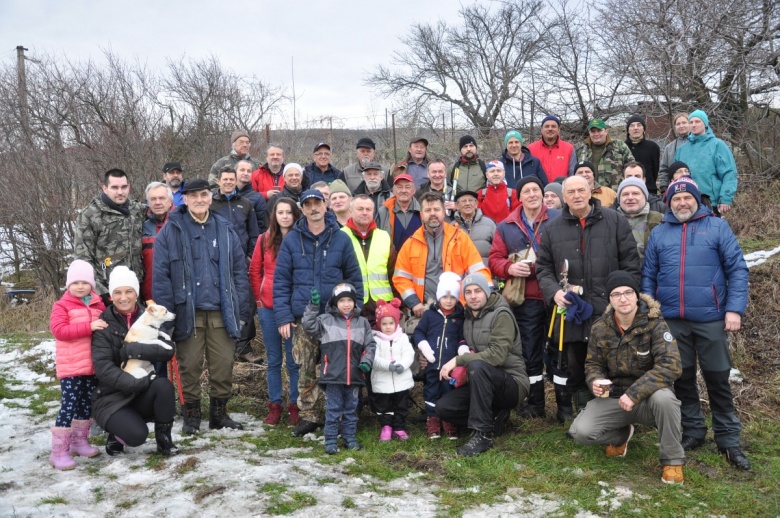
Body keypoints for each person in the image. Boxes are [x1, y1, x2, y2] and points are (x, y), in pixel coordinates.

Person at [642, 176, 750, 470]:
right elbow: (648, 277)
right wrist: (652, 311)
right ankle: (693, 431)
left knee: (717, 379)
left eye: (687, 197)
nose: (682, 203)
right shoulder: (660, 233)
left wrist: (734, 310)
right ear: (669, 204)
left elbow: (737, 270)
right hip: (673, 322)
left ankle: (728, 440)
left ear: (696, 199)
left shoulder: (717, 227)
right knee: (683, 379)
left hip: (712, 318)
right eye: (676, 199)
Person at [152, 179, 252, 435]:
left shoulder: (225, 228)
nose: (199, 199)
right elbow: (161, 277)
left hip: (222, 311)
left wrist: (241, 310)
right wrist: (166, 318)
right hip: (188, 312)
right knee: (190, 366)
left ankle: (219, 415)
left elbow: (240, 272)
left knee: (223, 365)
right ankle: (192, 416)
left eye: (203, 194)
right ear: (184, 199)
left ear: (210, 197)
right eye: (193, 195)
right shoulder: (171, 230)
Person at [536, 175, 640, 418]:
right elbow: (543, 269)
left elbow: (630, 263)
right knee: (575, 363)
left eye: (581, 190)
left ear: (590, 190)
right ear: (564, 197)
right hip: (572, 310)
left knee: (611, 362)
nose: (576, 195)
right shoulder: (552, 228)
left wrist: (624, 297)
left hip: (608, 308)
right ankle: (584, 413)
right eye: (570, 192)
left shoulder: (615, 220)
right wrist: (554, 292)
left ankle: (615, 416)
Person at [568, 271, 685, 485]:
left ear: (637, 296)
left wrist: (634, 393)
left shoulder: (655, 324)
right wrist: (594, 381)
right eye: (616, 294)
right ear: (610, 300)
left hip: (648, 399)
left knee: (666, 400)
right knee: (580, 431)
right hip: (614, 399)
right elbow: (593, 364)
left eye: (628, 292)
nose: (623, 298)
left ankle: (672, 461)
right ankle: (621, 436)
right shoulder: (600, 328)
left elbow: (671, 365)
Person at [273, 189, 363, 437]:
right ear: (301, 209)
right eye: (307, 204)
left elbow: (354, 276)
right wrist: (283, 316)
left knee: (337, 367)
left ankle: (339, 414)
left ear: (326, 206)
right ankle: (309, 415)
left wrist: (356, 310)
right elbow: (281, 281)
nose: (313, 208)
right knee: (305, 367)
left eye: (317, 203)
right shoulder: (292, 240)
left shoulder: (341, 238)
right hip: (304, 318)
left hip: (335, 318)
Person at [489, 176, 560, 420]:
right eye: (526, 191)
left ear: (543, 194)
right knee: (529, 351)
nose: (532, 194)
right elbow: (494, 259)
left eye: (536, 190)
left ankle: (565, 406)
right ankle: (536, 403)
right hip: (526, 297)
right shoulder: (506, 226)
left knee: (561, 350)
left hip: (556, 295)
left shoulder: (558, 219)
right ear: (518, 197)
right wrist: (509, 268)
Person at [436, 273, 529, 456]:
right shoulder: (466, 316)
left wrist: (457, 360)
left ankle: (482, 435)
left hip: (511, 382)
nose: (473, 296)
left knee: (477, 366)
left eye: (478, 291)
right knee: (443, 408)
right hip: (480, 383)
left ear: (486, 292)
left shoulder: (501, 314)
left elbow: (497, 356)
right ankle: (495, 418)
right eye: (468, 292)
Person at [91, 266, 178, 457]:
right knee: (137, 436)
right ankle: (116, 432)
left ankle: (164, 440)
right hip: (112, 397)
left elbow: (168, 350)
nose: (124, 297)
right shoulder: (103, 324)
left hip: (141, 391)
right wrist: (137, 383)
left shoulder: (151, 316)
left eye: (129, 291)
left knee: (163, 386)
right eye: (118, 292)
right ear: (111, 296)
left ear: (136, 293)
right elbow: (103, 368)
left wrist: (132, 350)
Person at [301, 283, 375, 453]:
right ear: (335, 303)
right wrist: (313, 306)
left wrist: (366, 361)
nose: (346, 304)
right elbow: (308, 325)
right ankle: (331, 440)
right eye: (342, 300)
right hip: (333, 375)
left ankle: (349, 437)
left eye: (350, 300)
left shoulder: (362, 322)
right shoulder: (326, 320)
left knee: (351, 409)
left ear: (354, 302)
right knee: (334, 408)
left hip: (355, 375)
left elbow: (370, 345)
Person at [48, 260, 108, 470]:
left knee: (85, 404)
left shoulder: (98, 304)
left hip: (91, 366)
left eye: (85, 282)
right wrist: (89, 326)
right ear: (68, 284)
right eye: (75, 282)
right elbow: (59, 331)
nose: (80, 286)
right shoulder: (62, 305)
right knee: (69, 406)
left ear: (92, 284)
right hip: (71, 366)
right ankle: (59, 451)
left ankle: (79, 442)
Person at [393, 191, 492, 318]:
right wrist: (414, 303)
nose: (433, 213)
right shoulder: (411, 243)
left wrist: (489, 294)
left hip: (457, 310)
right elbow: (401, 278)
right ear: (421, 215)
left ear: (444, 212)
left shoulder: (460, 238)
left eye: (436, 209)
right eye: (428, 210)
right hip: (424, 310)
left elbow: (478, 270)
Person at [249, 198, 302, 426]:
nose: (285, 216)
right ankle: (274, 405)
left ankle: (295, 405)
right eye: (280, 212)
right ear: (275, 215)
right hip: (268, 308)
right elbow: (254, 271)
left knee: (293, 361)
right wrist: (260, 299)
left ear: (295, 215)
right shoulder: (264, 240)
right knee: (273, 360)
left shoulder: (301, 239)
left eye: (289, 212)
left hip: (292, 308)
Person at [75, 168, 146, 306]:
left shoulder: (138, 210)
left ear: (129, 187)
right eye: (115, 187)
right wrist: (101, 292)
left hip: (137, 289)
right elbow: (83, 259)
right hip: (108, 292)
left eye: (124, 187)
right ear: (105, 188)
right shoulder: (89, 215)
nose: (120, 192)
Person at [413, 272, 467, 439]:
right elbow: (419, 332)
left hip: (449, 366)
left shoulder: (460, 317)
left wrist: (462, 349)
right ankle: (433, 420)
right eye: (445, 297)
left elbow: (461, 337)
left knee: (448, 392)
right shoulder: (430, 315)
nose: (448, 301)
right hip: (432, 364)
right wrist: (424, 346)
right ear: (438, 297)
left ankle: (449, 421)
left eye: (452, 297)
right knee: (431, 392)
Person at [341, 194, 396, 327]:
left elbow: (393, 271)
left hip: (383, 306)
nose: (365, 213)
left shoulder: (384, 236)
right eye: (360, 209)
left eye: (368, 209)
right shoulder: (341, 236)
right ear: (350, 212)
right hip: (352, 305)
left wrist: (396, 301)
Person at [674, 110, 738, 215]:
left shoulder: (717, 145)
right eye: (691, 122)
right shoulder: (682, 149)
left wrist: (725, 198)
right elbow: (675, 176)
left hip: (710, 203)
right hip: (687, 203)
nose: (694, 125)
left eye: (697, 121)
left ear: (705, 123)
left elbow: (729, 173)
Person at [371, 298, 415, 441]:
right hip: (382, 381)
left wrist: (402, 364)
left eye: (391, 323)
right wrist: (388, 365)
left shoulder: (402, 338)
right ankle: (386, 426)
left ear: (396, 323)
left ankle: (399, 426)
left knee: (401, 405)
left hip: (401, 380)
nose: (388, 327)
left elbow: (409, 354)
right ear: (379, 324)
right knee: (384, 406)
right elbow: (374, 359)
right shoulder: (375, 340)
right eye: (384, 324)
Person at [211, 166, 260, 260]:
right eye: (225, 179)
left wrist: (250, 255)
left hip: (241, 257)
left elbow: (253, 232)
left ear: (236, 181)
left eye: (232, 179)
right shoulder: (210, 204)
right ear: (218, 181)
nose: (228, 182)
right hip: (217, 257)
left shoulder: (246, 203)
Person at [614, 177, 663, 264]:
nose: (630, 197)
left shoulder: (661, 220)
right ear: (619, 199)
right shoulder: (611, 221)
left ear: (645, 196)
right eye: (625, 194)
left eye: (635, 193)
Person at [577, 119, 634, 190]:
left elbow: (632, 168)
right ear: (589, 133)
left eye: (599, 130)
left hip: (615, 195)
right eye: (593, 131)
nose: (596, 134)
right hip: (589, 195)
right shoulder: (581, 150)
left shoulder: (620, 146)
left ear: (606, 131)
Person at [141, 182, 173, 303]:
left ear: (170, 201)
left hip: (176, 297)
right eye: (153, 199)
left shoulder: (181, 223)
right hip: (148, 298)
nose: (157, 202)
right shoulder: (139, 225)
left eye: (162, 198)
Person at [377, 174, 423, 252]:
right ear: (394, 191)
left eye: (407, 187)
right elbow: (377, 240)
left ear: (414, 191)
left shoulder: (422, 211)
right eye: (399, 187)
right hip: (391, 261)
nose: (403, 190)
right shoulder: (384, 212)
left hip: (417, 260)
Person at [452, 190, 495, 267]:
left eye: (471, 200)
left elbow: (499, 252)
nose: (468, 203)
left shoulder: (490, 224)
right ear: (457, 205)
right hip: (460, 274)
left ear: (476, 204)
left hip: (485, 273)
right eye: (464, 201)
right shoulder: (451, 227)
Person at [624, 114, 661, 195]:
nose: (636, 128)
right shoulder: (621, 147)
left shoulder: (653, 147)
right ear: (628, 130)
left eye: (639, 125)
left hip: (649, 189)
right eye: (632, 126)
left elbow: (655, 170)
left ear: (644, 129)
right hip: (627, 190)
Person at [658, 113, 689, 194]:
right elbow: (663, 168)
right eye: (678, 124)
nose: (681, 126)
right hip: (674, 189)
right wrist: (664, 186)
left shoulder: (697, 144)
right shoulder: (669, 147)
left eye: (684, 122)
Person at [236, 159, 268, 235]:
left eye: (249, 171)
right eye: (242, 170)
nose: (246, 173)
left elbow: (261, 226)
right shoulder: (225, 195)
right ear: (235, 172)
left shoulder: (258, 198)